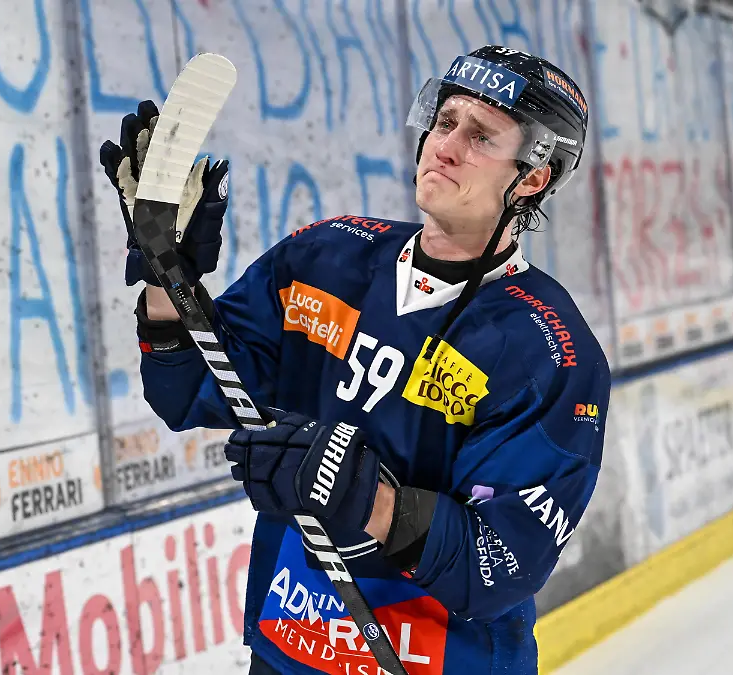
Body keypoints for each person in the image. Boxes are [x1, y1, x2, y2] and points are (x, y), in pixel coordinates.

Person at [99, 45, 610, 674]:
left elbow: (504, 564)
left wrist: (366, 497)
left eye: (482, 137)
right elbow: (193, 390)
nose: (445, 146)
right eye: (445, 121)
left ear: (532, 177)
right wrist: (166, 278)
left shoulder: (550, 352)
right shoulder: (328, 257)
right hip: (290, 649)